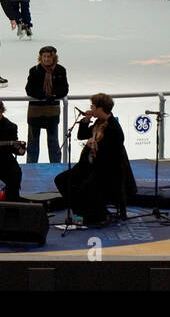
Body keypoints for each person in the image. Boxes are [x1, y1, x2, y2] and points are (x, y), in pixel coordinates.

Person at [55, 93, 129, 226]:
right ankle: (81, 211)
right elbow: (82, 135)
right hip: (89, 166)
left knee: (85, 187)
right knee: (61, 180)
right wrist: (85, 121)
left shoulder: (113, 128)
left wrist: (95, 145)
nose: (91, 108)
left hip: (105, 170)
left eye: (93, 107)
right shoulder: (98, 123)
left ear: (101, 108)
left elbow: (111, 156)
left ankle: (98, 214)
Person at [24, 45, 68, 163]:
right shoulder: (34, 70)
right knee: (33, 143)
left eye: (49, 56)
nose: (47, 59)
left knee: (53, 142)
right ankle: (31, 166)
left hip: (52, 112)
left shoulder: (60, 70)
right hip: (35, 112)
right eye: (44, 56)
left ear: (54, 57)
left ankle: (56, 167)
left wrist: (53, 95)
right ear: (40, 57)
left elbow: (64, 89)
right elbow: (29, 89)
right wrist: (43, 95)